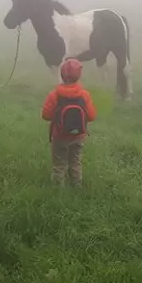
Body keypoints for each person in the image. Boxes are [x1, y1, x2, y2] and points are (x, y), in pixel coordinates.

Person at [41, 58, 98, 187]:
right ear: (79, 76)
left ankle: (57, 189)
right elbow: (92, 116)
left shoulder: (55, 94)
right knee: (75, 162)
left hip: (60, 136)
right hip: (78, 137)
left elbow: (45, 115)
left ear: (62, 74)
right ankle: (76, 186)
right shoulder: (84, 95)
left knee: (59, 164)